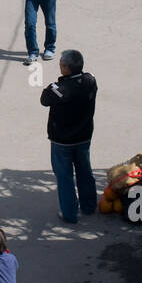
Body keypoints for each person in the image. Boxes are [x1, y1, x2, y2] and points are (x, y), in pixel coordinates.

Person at [40, 49, 98, 224]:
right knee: (85, 171)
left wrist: (53, 86)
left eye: (61, 64)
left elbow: (44, 99)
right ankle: (88, 205)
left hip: (62, 140)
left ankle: (70, 213)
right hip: (84, 136)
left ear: (67, 68)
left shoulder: (60, 89)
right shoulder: (90, 80)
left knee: (64, 176)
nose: (59, 66)